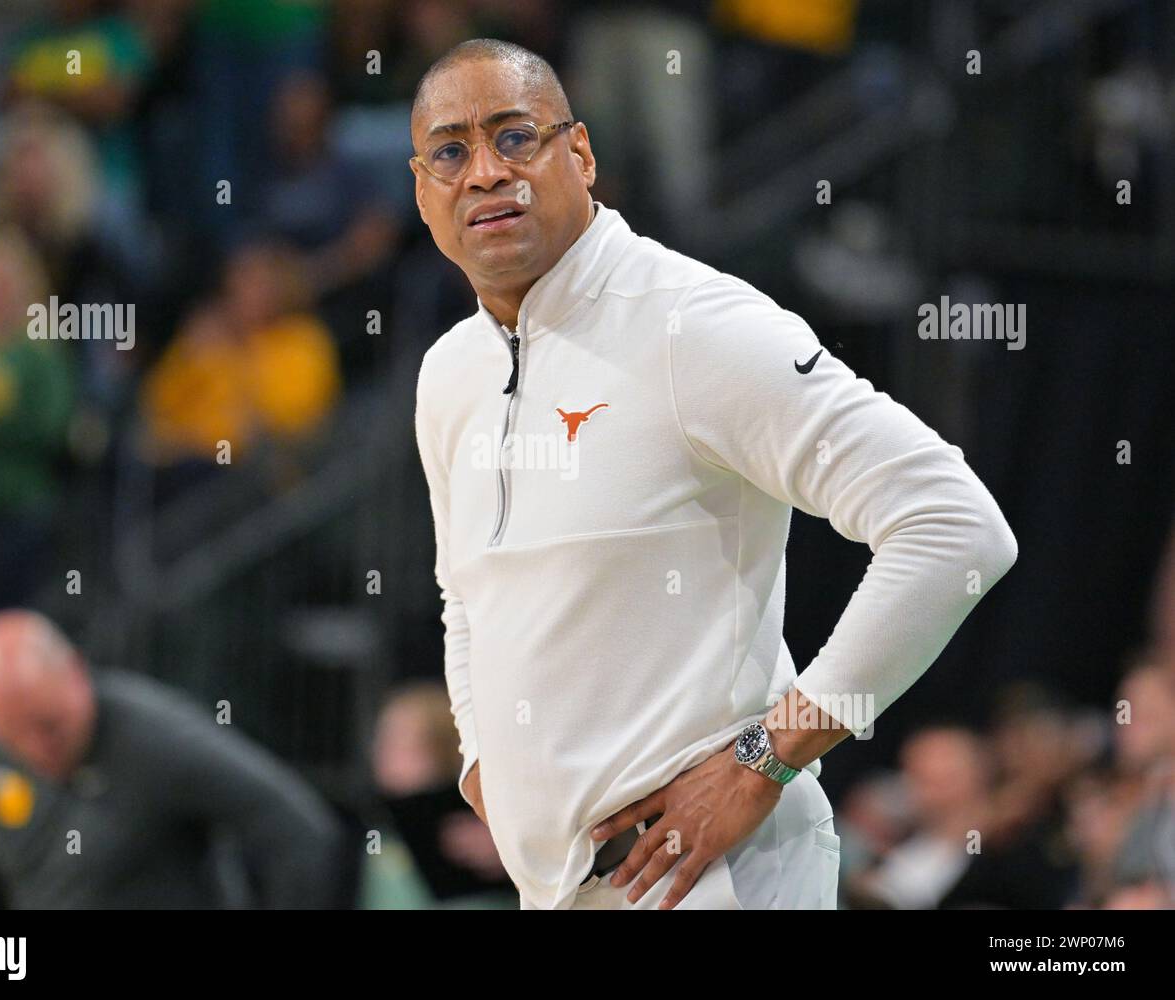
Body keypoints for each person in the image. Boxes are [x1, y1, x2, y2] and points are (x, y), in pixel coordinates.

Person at [409, 38, 1018, 910]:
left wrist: (769, 759)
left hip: (715, 879)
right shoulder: (448, 373)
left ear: (580, 154)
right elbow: (462, 594)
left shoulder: (691, 324)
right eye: (451, 151)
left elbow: (953, 523)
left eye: (515, 137)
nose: (484, 173)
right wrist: (479, 761)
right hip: (567, 889)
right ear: (421, 187)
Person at [0, 609, 349, 908]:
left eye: (50, 725)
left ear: (75, 672)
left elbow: (299, 832)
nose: (36, 748)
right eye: (12, 735)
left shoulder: (154, 739)